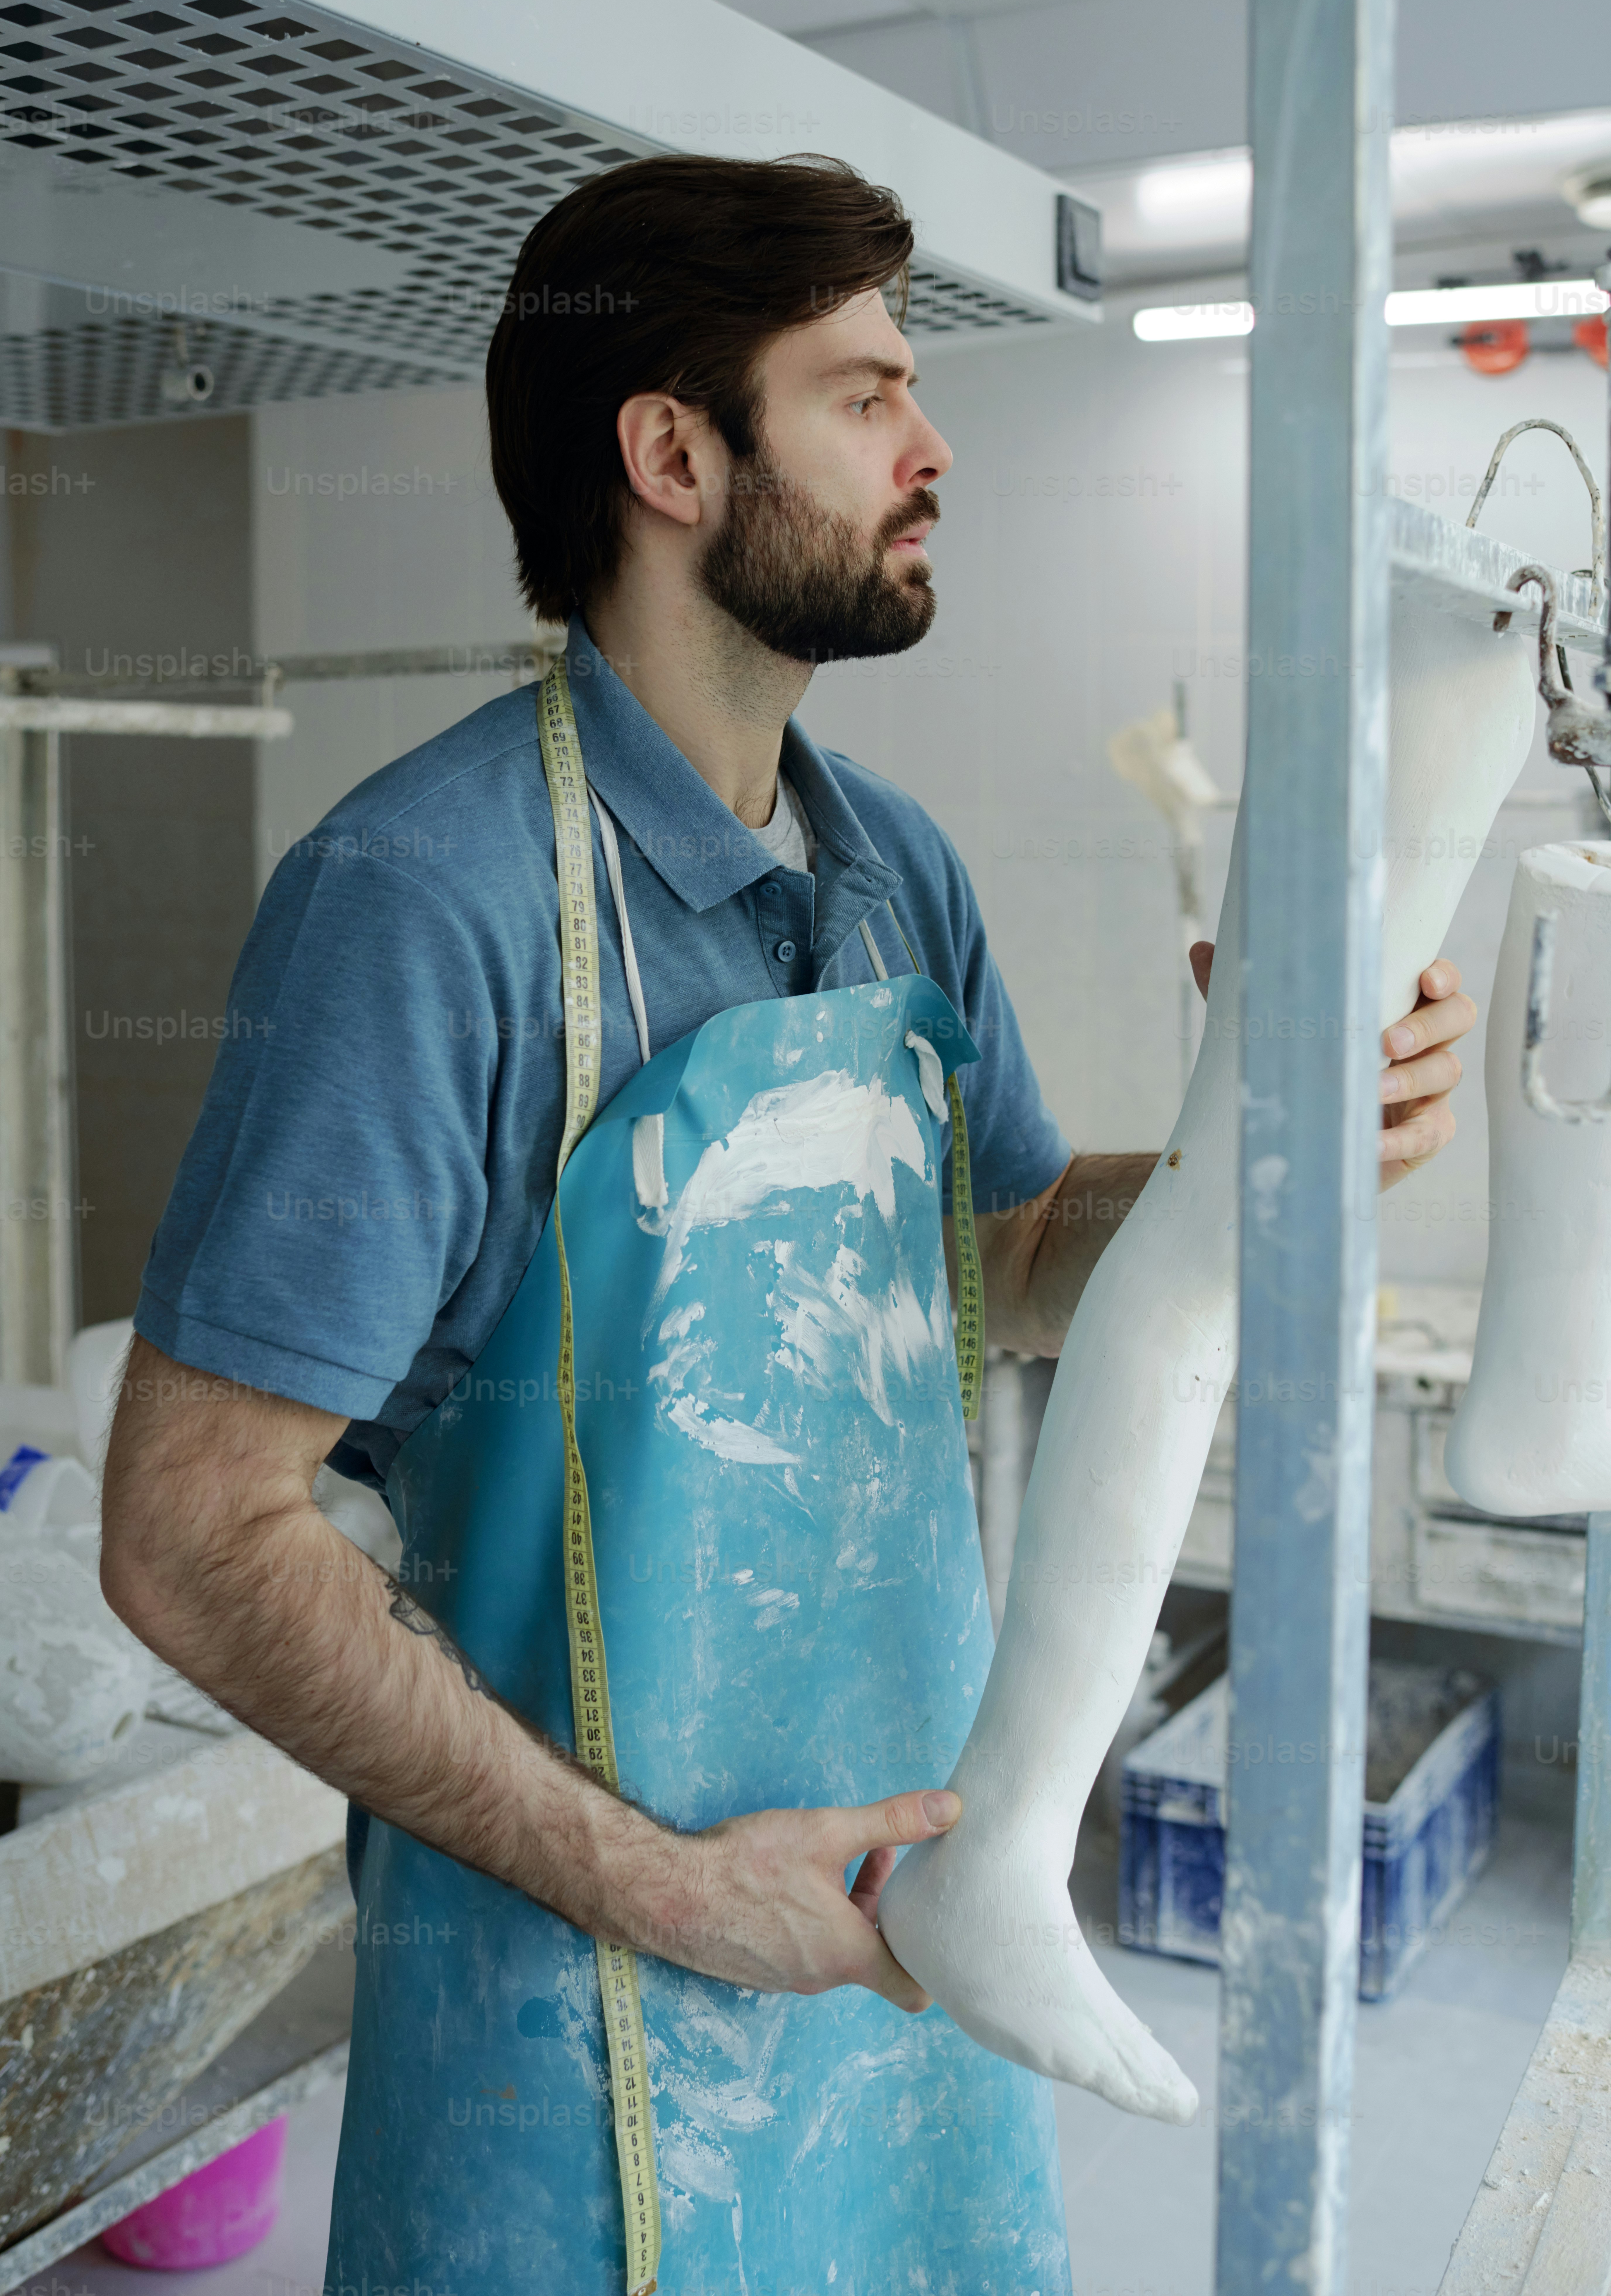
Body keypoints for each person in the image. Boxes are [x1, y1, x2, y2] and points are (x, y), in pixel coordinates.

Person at [100, 155, 1473, 2293]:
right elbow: (193, 1531)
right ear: (672, 453)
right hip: (574, 2035)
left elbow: (1000, 1262)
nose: (933, 452)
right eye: (864, 397)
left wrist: (1261, 1151)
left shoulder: (890, 870)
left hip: (910, 1954)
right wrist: (664, 1889)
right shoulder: (421, 906)